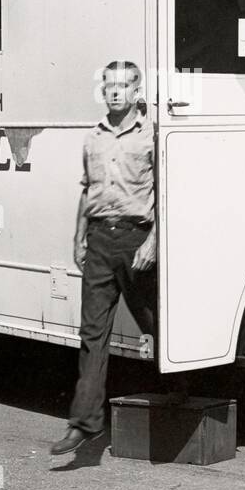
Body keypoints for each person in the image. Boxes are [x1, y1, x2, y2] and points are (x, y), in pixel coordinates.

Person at [50, 60, 157, 455]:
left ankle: (188, 394)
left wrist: (154, 241)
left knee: (156, 324)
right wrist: (78, 236)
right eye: (109, 85)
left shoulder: (151, 136)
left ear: (135, 91)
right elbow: (86, 189)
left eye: (123, 86)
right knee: (92, 333)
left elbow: (166, 191)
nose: (114, 92)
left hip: (136, 241)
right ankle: (85, 423)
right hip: (98, 240)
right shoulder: (93, 138)